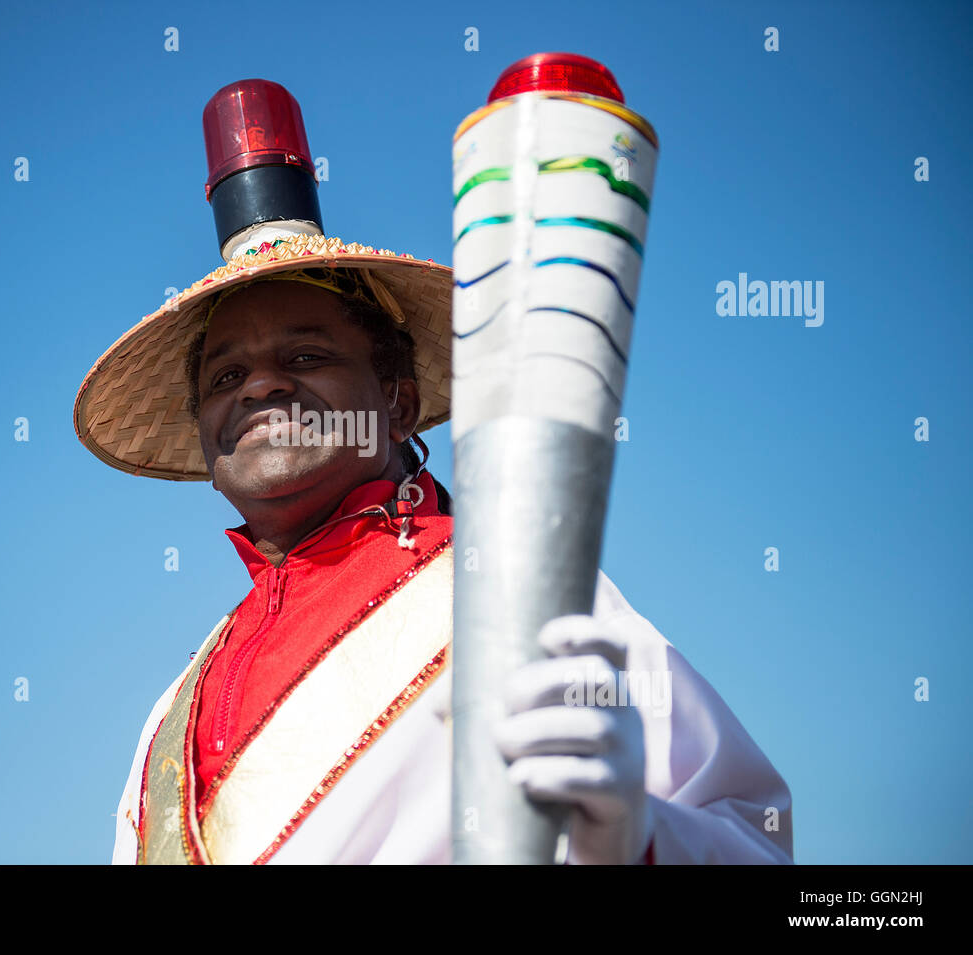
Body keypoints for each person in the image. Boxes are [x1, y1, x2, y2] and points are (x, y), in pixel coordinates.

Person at [72, 79, 792, 865]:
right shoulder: (170, 717)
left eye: (306, 355)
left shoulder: (516, 593)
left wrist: (634, 834)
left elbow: (755, 837)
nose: (259, 386)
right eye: (224, 376)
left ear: (398, 402)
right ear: (208, 440)